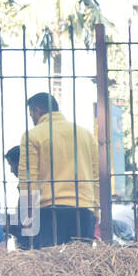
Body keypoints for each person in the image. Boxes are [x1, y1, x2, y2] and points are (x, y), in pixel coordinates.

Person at [17, 93, 100, 248]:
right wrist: (95, 210)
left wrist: (27, 215)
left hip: (49, 210)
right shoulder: (86, 135)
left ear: (37, 111)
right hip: (83, 209)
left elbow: (29, 178)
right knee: (81, 265)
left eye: (31, 115)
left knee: (50, 267)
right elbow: (96, 176)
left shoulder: (33, 135)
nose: (33, 120)